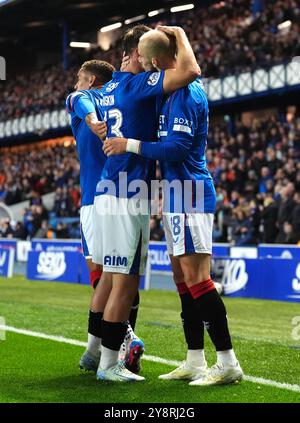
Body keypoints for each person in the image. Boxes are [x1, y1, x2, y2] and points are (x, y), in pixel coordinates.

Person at [103, 26, 243, 386]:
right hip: (175, 194)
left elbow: (178, 150)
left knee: (198, 279)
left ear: (152, 62)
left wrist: (129, 145)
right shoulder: (169, 93)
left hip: (191, 192)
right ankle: (195, 360)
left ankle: (227, 362)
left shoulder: (185, 94)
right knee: (182, 280)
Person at [88, 24, 200, 382]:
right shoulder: (138, 85)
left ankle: (93, 353)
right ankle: (109, 365)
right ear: (135, 54)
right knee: (126, 283)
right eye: (147, 56)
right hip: (128, 193)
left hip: (106, 189)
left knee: (107, 278)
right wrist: (180, 35)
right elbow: (190, 71)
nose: (154, 64)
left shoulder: (107, 89)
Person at [66, 60, 144, 376]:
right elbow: (82, 100)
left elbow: (79, 99)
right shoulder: (121, 99)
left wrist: (91, 120)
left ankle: (101, 349)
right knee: (122, 278)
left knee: (104, 276)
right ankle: (116, 344)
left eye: (79, 78)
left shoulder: (83, 99)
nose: (75, 84)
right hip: (122, 195)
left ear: (92, 79)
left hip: (94, 201)